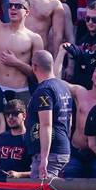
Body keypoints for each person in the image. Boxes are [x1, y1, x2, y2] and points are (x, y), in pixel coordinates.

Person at [26, 50, 73, 180]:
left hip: (51, 154)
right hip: (61, 147)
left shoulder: (44, 90)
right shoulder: (63, 86)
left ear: (34, 67)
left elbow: (46, 124)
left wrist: (44, 158)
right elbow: (69, 120)